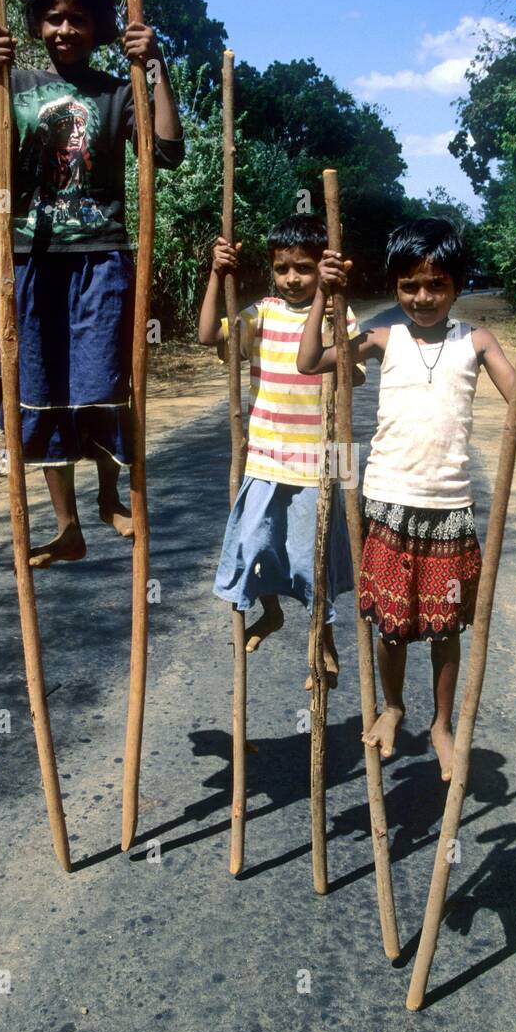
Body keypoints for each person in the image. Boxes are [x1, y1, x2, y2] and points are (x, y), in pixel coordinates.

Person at [297, 217, 516, 777]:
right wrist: (323, 293)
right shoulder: (382, 339)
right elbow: (311, 361)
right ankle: (393, 706)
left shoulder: (477, 342)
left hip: (449, 509)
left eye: (435, 285)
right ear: (395, 287)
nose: (422, 297)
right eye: (410, 285)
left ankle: (441, 722)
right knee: (391, 623)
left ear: (457, 286)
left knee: (443, 626)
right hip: (387, 502)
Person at [0, 0, 184, 566]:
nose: (65, 28)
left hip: (99, 256)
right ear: (39, 25)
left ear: (98, 28)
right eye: (54, 18)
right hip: (26, 258)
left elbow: (167, 151)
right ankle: (67, 526)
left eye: (79, 18)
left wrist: (155, 68)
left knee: (102, 382)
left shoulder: (118, 91)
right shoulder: (16, 83)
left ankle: (109, 497)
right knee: (37, 389)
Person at [199, 214, 364, 687]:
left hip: (321, 461)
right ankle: (271, 613)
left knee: (312, 562)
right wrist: (217, 271)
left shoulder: (340, 316)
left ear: (324, 270)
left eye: (305, 269)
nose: (293, 278)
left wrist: (333, 314)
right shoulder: (263, 313)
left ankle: (323, 641)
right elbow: (210, 336)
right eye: (283, 268)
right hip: (267, 455)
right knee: (254, 546)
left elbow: (351, 379)